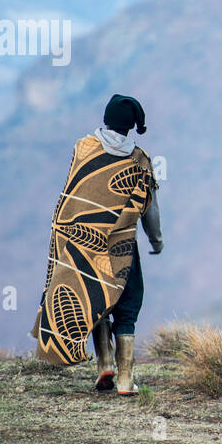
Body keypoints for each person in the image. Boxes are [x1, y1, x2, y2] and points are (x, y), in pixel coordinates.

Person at [30, 94, 163, 396]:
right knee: (127, 305)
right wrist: (156, 240)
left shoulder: (83, 148)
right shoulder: (140, 161)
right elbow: (150, 208)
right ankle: (125, 380)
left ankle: (104, 363)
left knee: (95, 298)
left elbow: (73, 197)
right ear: (132, 126)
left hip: (80, 243)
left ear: (106, 119)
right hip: (121, 248)